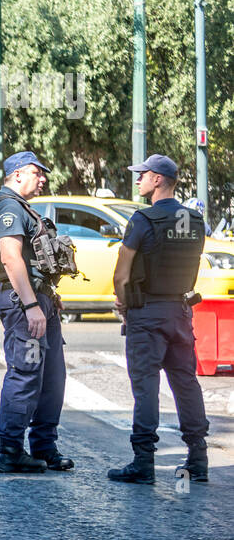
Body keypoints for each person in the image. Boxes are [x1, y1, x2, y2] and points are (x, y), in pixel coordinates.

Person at [109, 154, 210, 484]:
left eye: (142, 175)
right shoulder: (195, 220)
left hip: (147, 314)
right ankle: (198, 457)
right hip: (180, 313)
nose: (138, 180)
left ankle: (143, 462)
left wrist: (124, 307)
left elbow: (122, 276)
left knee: (146, 386)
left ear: (157, 180)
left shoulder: (142, 220)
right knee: (185, 383)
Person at [0, 151, 73, 474]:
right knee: (25, 373)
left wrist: (47, 297)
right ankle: (10, 451)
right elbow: (11, 258)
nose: (43, 178)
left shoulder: (22, 208)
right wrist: (32, 304)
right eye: (38, 173)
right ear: (18, 175)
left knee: (52, 376)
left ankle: (44, 446)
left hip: (40, 299)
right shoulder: (8, 207)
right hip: (25, 303)